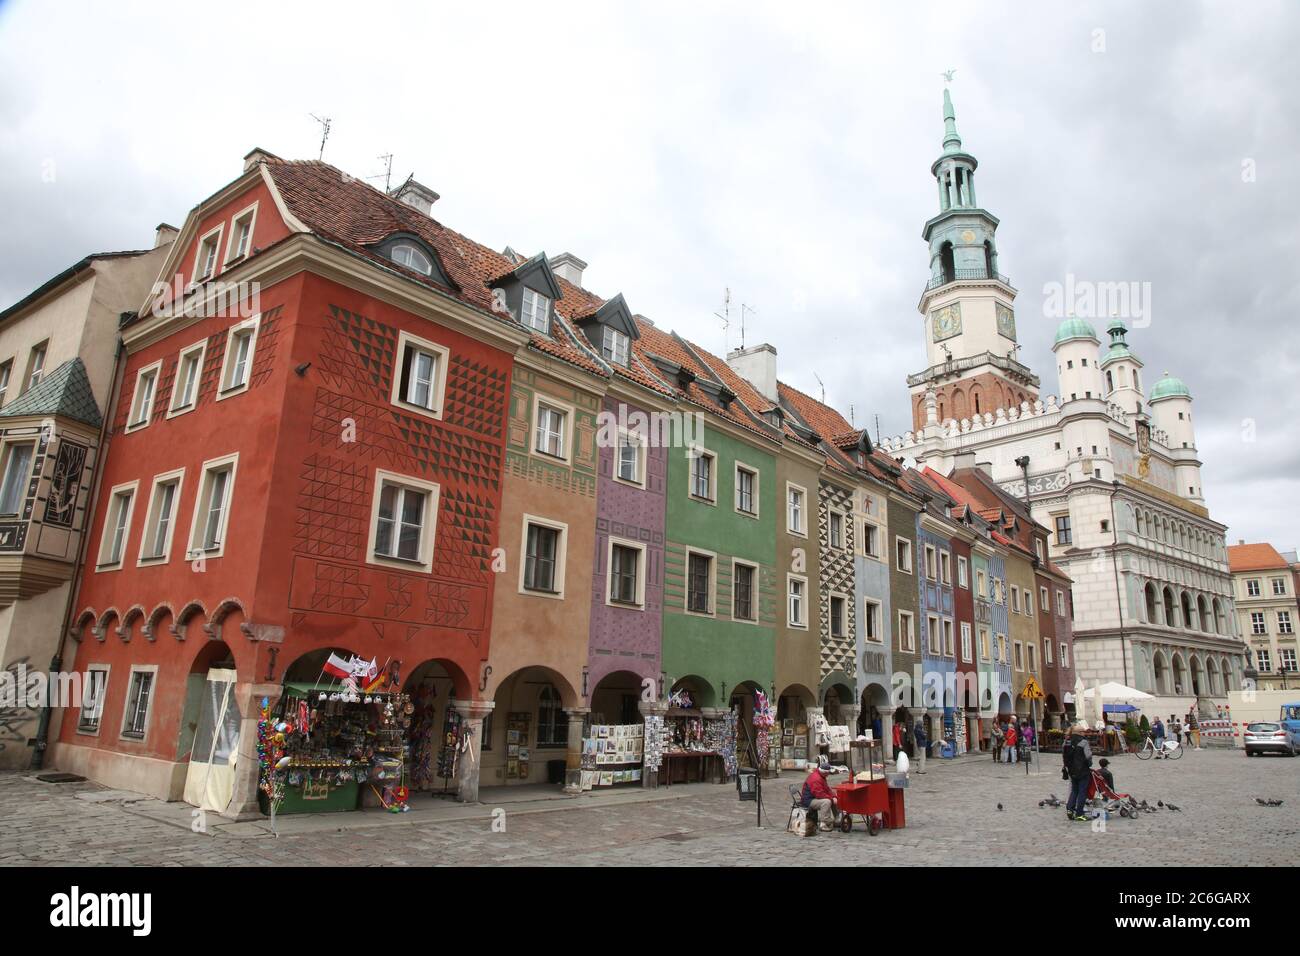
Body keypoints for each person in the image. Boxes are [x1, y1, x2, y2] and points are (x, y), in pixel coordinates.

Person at [1062, 721, 1094, 821]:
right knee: (1082, 791)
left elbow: (1064, 755)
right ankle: (1079, 813)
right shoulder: (1083, 742)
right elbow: (1088, 756)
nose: (1084, 733)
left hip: (1071, 770)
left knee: (1074, 790)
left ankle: (1070, 809)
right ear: (1080, 732)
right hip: (1082, 770)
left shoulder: (1066, 741)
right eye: (1083, 732)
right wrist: (1089, 764)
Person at [800, 758, 840, 831]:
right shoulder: (816, 779)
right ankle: (824, 822)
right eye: (828, 773)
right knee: (826, 802)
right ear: (824, 772)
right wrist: (831, 799)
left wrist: (834, 796)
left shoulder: (821, 776)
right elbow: (819, 794)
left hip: (814, 797)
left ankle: (838, 819)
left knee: (833, 799)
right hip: (808, 800)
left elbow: (827, 789)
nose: (828, 775)